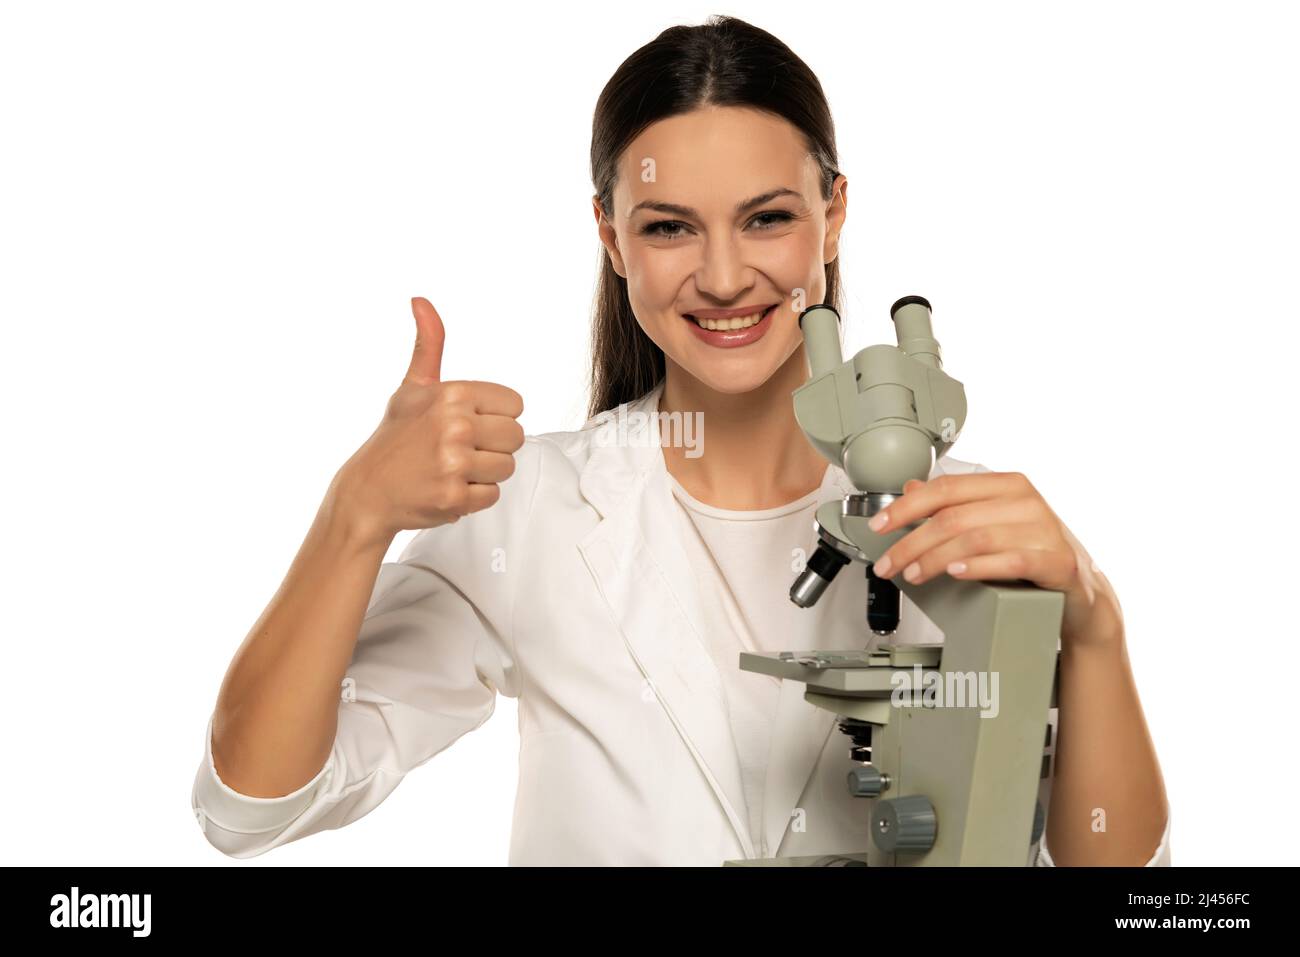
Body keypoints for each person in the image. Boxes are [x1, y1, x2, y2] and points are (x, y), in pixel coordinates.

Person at [192, 15, 1170, 866]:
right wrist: (352, 516)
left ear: (831, 215)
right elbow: (251, 808)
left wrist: (1093, 630)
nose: (724, 275)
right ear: (610, 239)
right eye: (667, 228)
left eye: (767, 219)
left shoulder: (973, 515)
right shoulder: (531, 508)